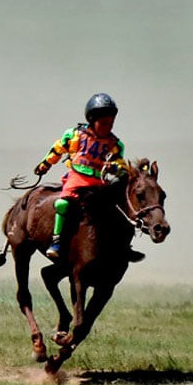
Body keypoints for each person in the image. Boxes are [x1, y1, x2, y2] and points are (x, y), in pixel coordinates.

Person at [33, 92, 128, 260]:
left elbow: (120, 163)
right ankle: (57, 241)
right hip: (77, 177)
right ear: (91, 119)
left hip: (99, 182)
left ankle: (121, 246)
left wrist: (114, 168)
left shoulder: (115, 144)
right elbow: (58, 149)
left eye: (111, 123)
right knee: (63, 204)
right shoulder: (75, 135)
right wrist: (45, 164)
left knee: (116, 209)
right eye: (104, 123)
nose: (108, 126)